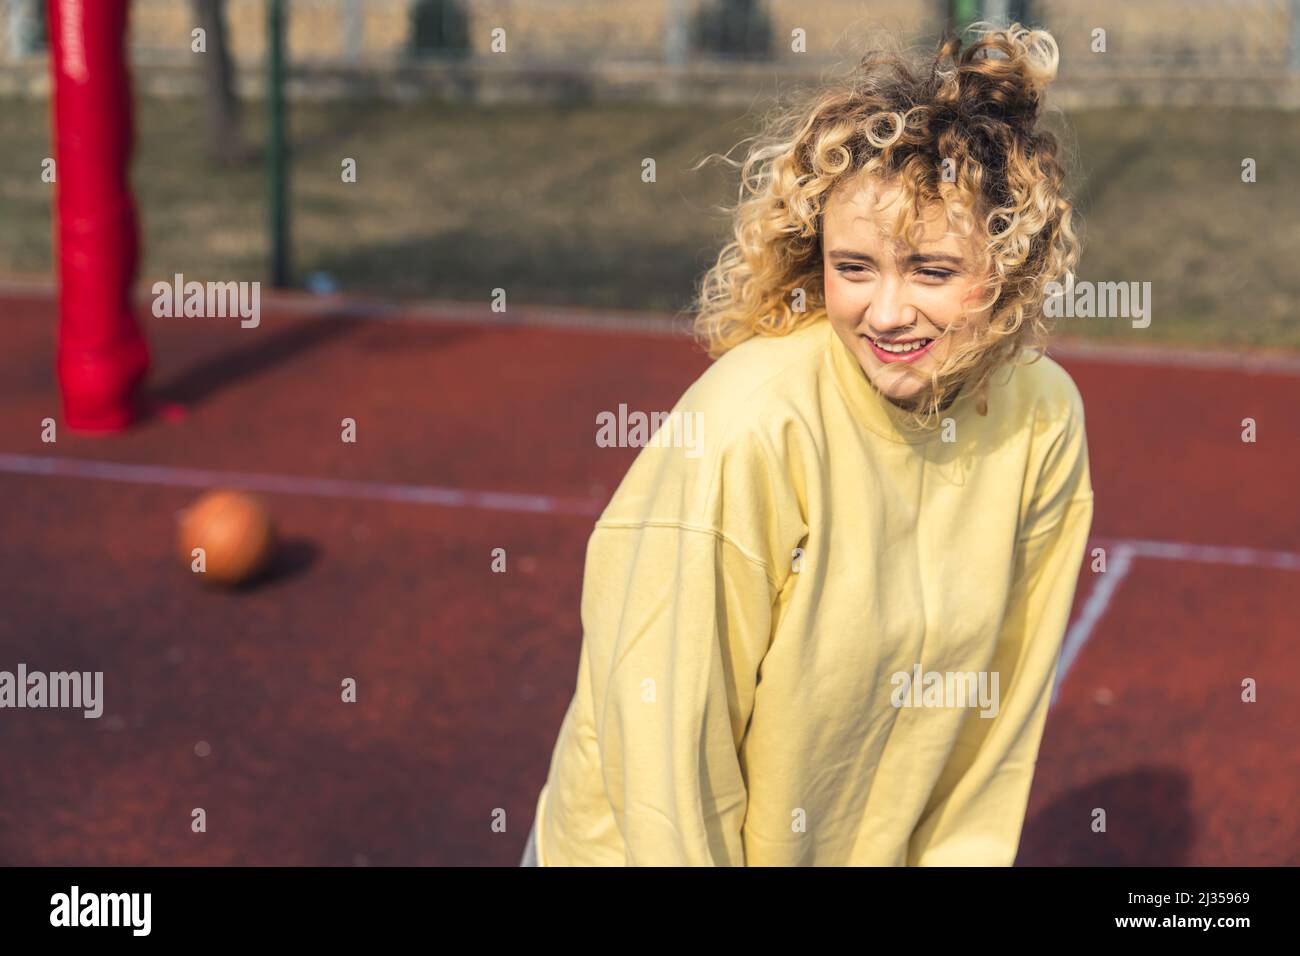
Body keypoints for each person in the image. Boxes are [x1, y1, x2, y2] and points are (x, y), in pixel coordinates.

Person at [524, 21, 1093, 866]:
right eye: (854, 267)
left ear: (1009, 266)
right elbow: (668, 750)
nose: (888, 311)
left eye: (932, 270)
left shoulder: (1043, 417)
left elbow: (994, 715)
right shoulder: (748, 425)